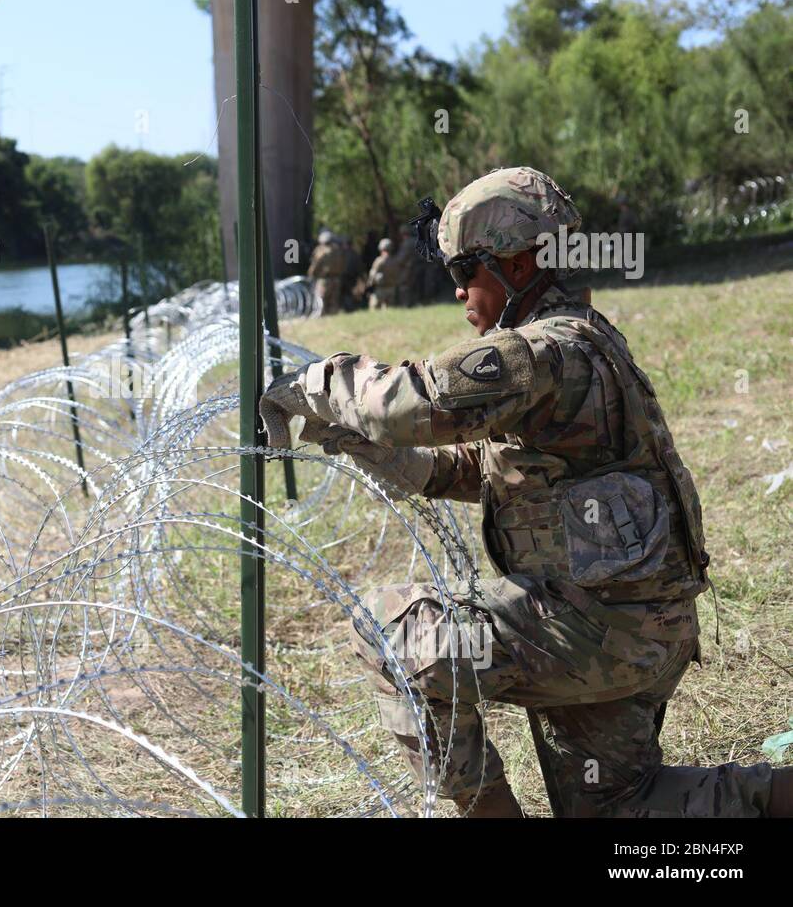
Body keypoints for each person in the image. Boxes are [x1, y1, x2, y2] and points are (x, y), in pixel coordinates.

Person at [259, 166, 789, 817]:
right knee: (619, 809)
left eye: (466, 271)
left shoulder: (543, 352)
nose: (459, 293)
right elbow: (510, 474)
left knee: (387, 630)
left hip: (593, 630)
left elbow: (398, 404)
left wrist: (311, 384)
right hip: (638, 627)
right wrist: (406, 467)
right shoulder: (592, 341)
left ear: (522, 261)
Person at [307, 229, 347, 315]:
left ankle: (322, 320)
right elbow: (343, 264)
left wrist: (311, 274)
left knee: (321, 301)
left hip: (324, 281)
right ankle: (333, 318)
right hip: (336, 279)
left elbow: (315, 265)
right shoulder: (338, 250)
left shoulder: (321, 251)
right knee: (333, 302)